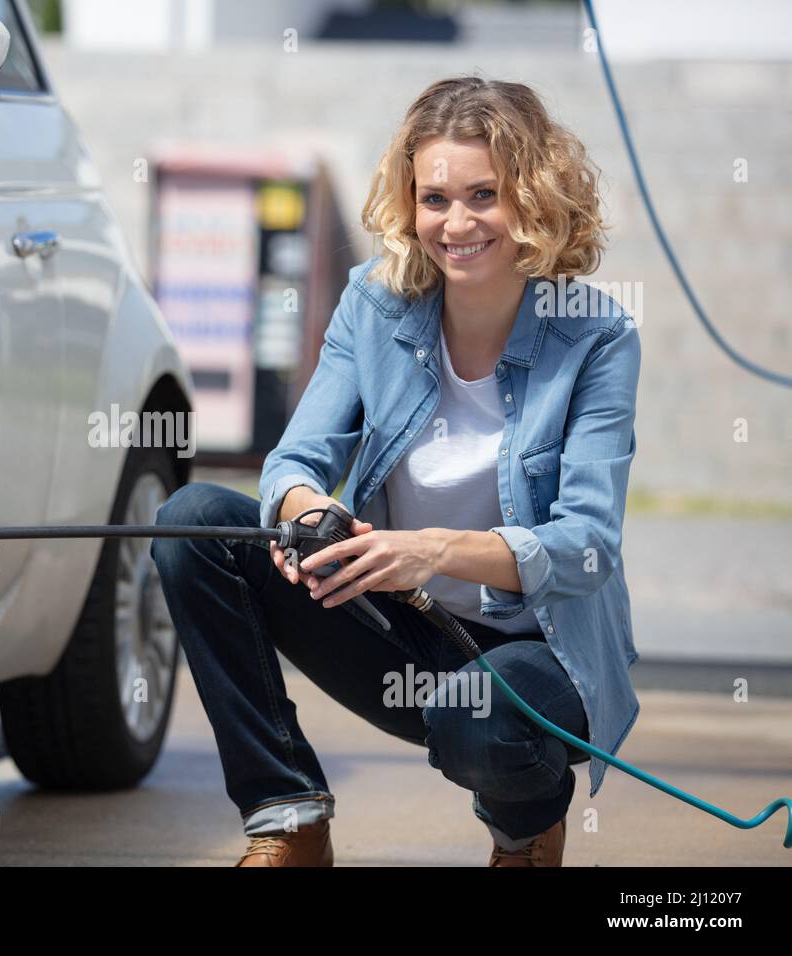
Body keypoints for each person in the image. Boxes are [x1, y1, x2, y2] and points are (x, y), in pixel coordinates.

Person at [150, 75, 642, 867]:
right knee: (194, 525)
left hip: (539, 649)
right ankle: (289, 819)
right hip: (402, 630)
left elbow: (586, 544)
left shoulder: (597, 337)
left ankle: (526, 833)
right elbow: (296, 460)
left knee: (477, 719)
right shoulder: (373, 306)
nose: (457, 222)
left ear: (536, 199)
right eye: (435, 198)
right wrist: (308, 512)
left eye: (485, 194)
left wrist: (432, 549)